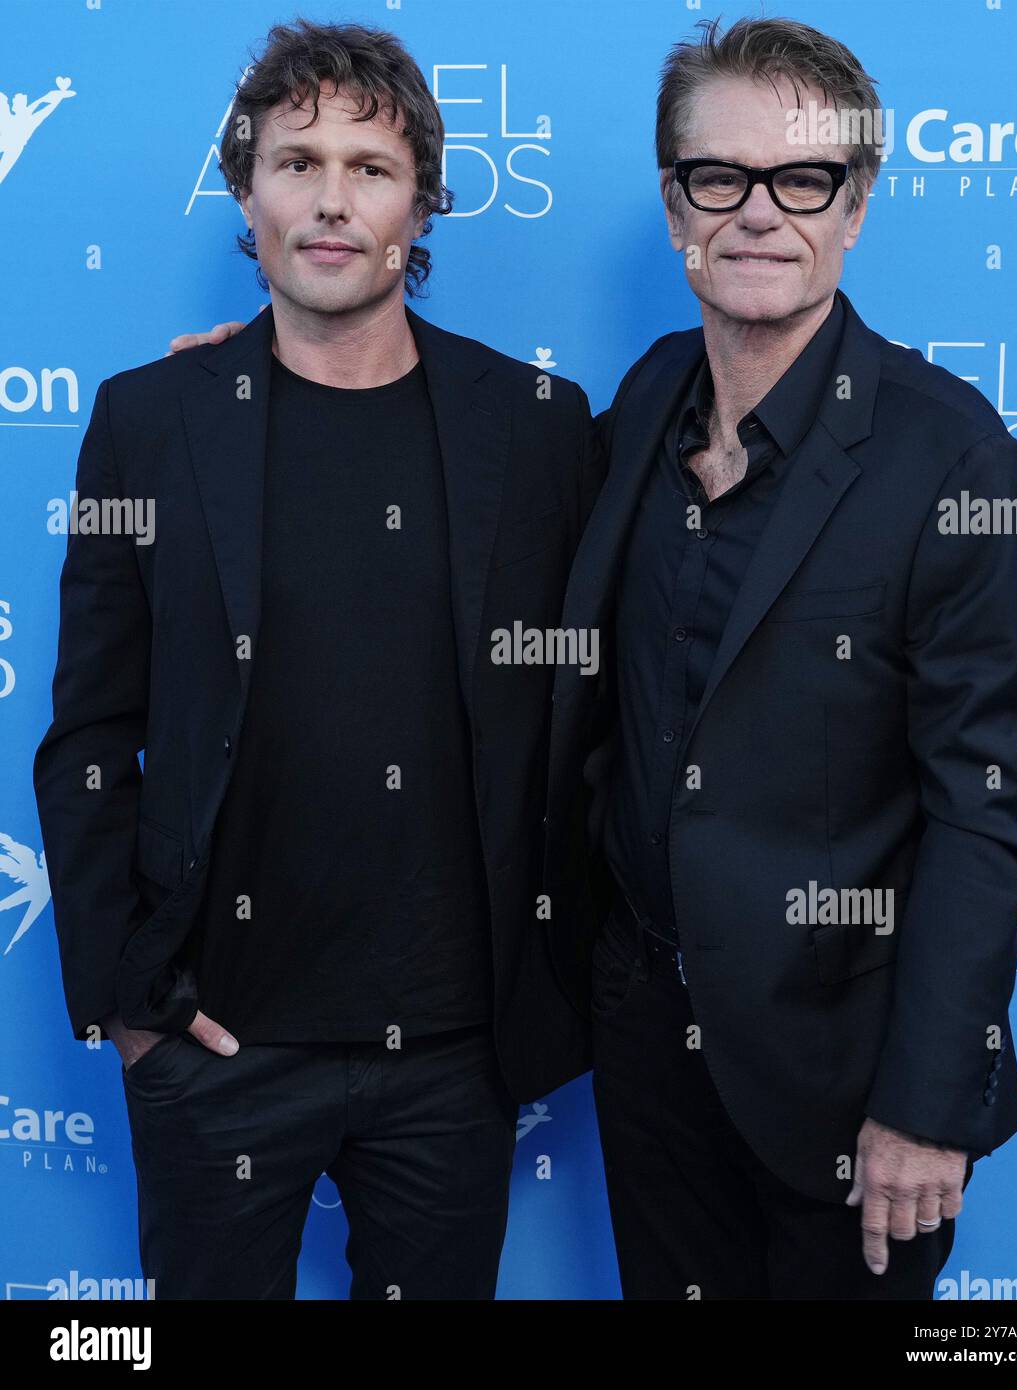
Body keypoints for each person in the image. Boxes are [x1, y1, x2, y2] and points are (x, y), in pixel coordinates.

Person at [33, 19, 601, 1301]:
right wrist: (128, 1001)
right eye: (297, 162)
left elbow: (599, 704)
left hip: (457, 1050)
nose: (331, 199)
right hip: (214, 1040)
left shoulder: (540, 428)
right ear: (245, 190)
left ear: (424, 201)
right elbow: (88, 730)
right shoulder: (150, 421)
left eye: (370, 166)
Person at [544, 15, 1017, 1300]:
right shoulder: (642, 403)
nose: (757, 213)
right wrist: (275, 369)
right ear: (674, 203)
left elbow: (981, 817)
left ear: (855, 205)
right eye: (718, 177)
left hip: (851, 1075)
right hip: (647, 1041)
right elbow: (460, 463)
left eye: (803, 179)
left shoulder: (954, 460)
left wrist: (927, 1106)